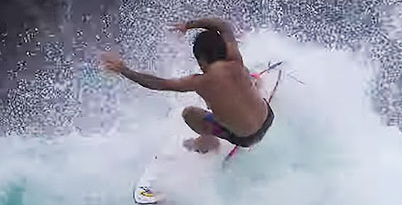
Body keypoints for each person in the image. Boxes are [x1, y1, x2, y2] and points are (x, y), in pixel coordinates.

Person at [101, 17, 274, 153]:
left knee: (189, 114)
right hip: (268, 118)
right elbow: (223, 26)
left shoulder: (200, 82)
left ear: (201, 60)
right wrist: (190, 25)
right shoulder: (235, 59)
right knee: (246, 76)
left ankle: (208, 143)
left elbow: (158, 84)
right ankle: (257, 86)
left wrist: (124, 70)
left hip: (246, 138)